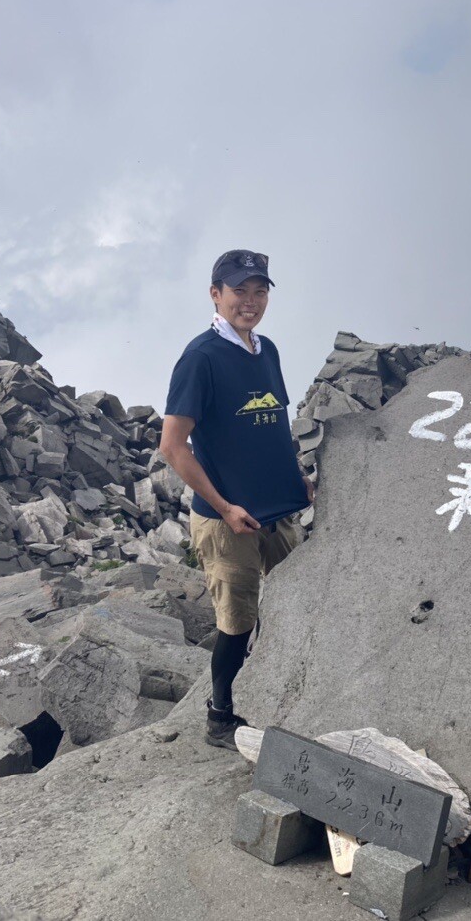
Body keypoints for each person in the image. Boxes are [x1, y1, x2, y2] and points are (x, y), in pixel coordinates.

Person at [159, 249, 313, 750]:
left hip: (276, 510)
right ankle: (220, 717)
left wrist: (297, 478)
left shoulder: (267, 350)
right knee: (237, 622)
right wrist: (224, 507)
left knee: (297, 599)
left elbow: (272, 422)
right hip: (227, 521)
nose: (250, 301)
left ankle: (283, 691)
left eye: (259, 291)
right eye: (239, 291)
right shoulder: (201, 358)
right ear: (215, 294)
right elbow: (172, 446)